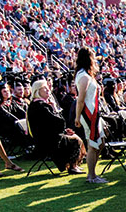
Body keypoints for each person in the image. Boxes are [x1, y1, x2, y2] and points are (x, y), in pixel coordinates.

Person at [27, 79, 85, 174]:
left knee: (74, 136)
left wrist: (64, 131)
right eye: (44, 88)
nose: (47, 90)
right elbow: (59, 122)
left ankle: (74, 164)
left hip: (46, 137)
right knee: (75, 139)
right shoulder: (41, 106)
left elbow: (53, 124)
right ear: (37, 91)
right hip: (46, 141)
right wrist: (55, 108)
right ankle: (72, 166)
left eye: (47, 87)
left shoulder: (37, 104)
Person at [74, 47, 108, 184]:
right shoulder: (83, 77)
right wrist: (77, 117)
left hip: (94, 112)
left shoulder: (86, 75)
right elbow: (80, 99)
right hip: (88, 113)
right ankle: (91, 176)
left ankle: (92, 173)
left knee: (100, 143)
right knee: (93, 144)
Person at [0, 83, 29, 150]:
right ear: (0, 93)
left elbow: (21, 112)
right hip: (3, 128)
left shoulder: (12, 102)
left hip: (13, 124)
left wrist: (27, 117)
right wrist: (19, 123)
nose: (7, 93)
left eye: (8, 91)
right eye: (4, 91)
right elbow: (8, 116)